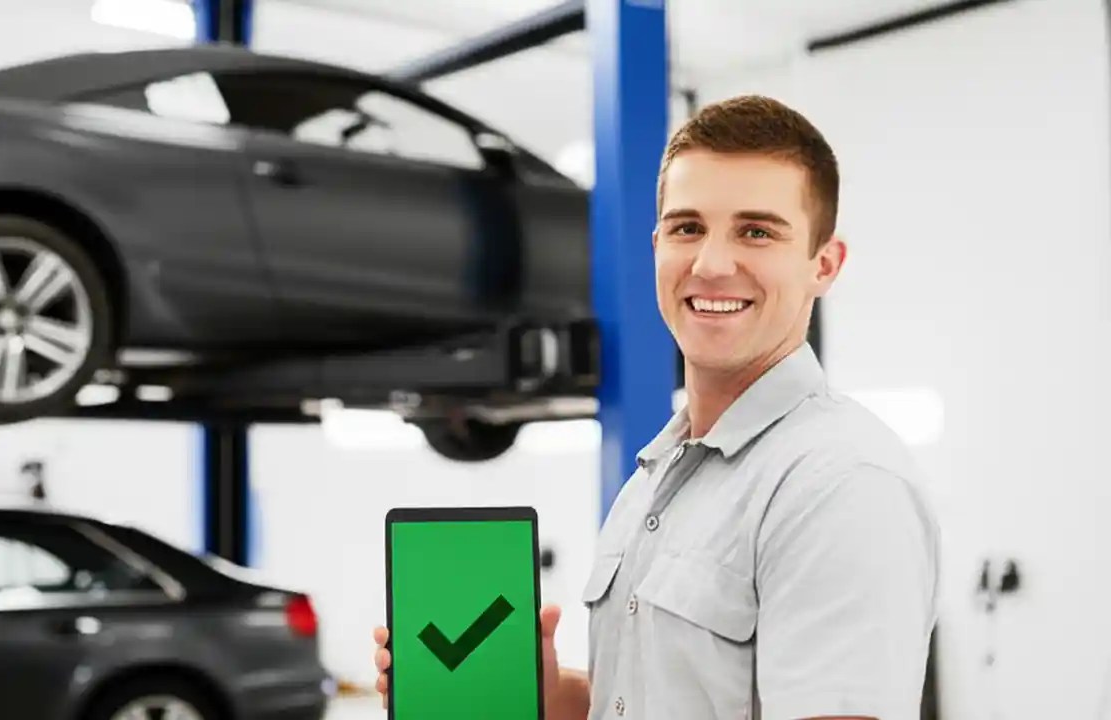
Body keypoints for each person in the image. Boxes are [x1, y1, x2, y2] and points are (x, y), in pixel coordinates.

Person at [373, 95, 940, 720]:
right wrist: (548, 697)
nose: (712, 263)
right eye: (687, 228)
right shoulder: (654, 483)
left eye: (756, 231)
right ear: (657, 246)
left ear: (824, 265)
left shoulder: (837, 482)